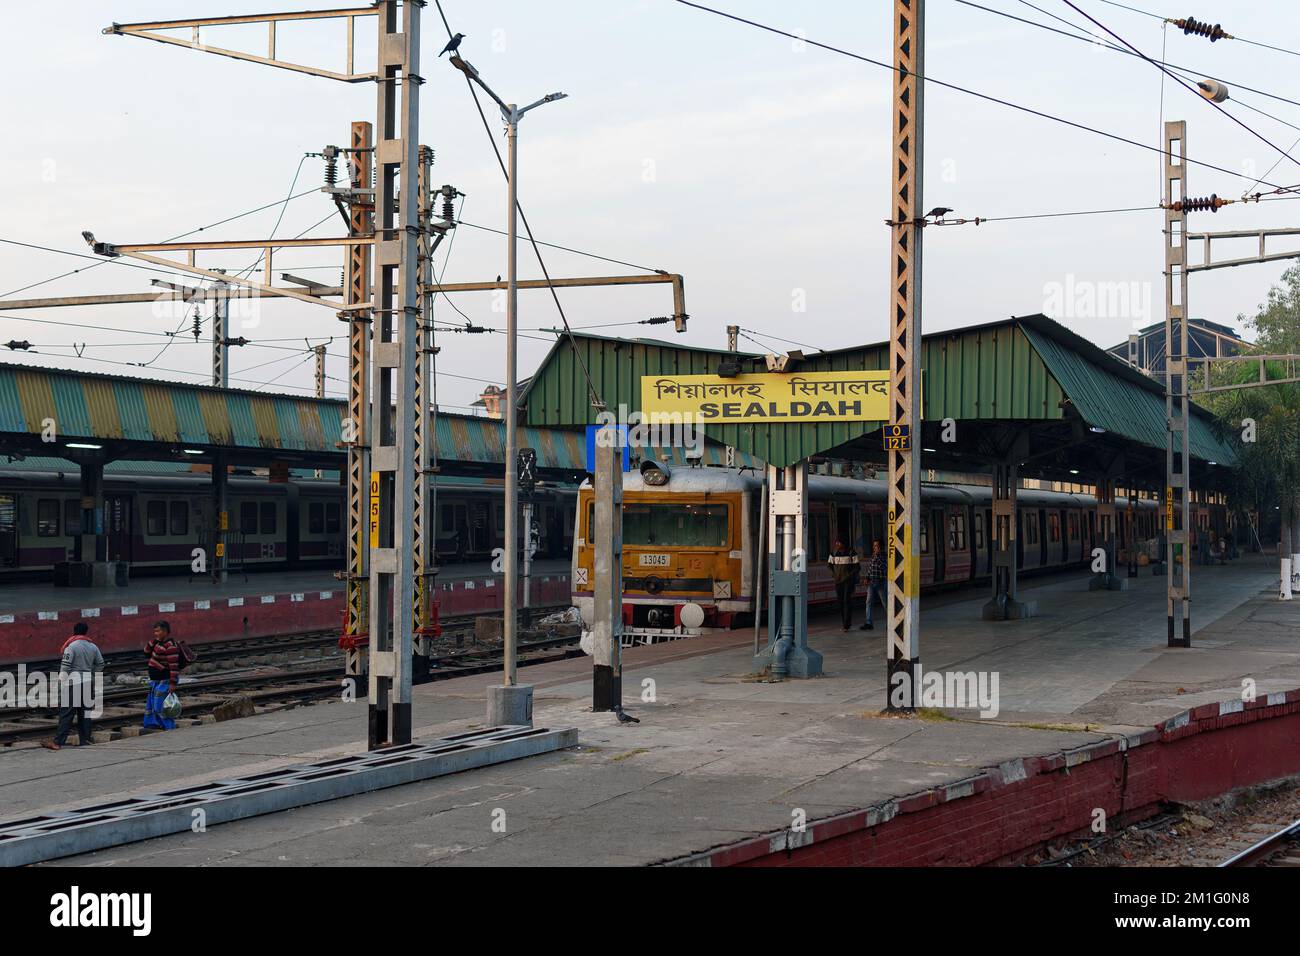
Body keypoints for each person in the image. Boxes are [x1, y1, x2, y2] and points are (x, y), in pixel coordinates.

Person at [41, 622, 104, 751]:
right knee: (85, 713)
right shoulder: (93, 646)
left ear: (74, 631)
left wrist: (61, 682)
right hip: (87, 683)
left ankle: (58, 743)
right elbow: (101, 664)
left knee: (66, 714)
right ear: (86, 632)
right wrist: (91, 674)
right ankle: (85, 741)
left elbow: (65, 666)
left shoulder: (72, 646)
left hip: (73, 684)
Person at [142, 620, 179, 731]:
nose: (156, 633)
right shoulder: (158, 643)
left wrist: (173, 683)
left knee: (161, 706)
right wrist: (153, 641)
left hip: (165, 681)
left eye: (158, 631)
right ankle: (155, 725)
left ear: (165, 631)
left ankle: (168, 727)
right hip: (156, 681)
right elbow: (146, 652)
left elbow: (174, 666)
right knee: (152, 704)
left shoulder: (171, 646)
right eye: (155, 631)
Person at [827, 540, 860, 632]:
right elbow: (829, 565)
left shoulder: (851, 553)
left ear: (844, 543)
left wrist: (849, 575)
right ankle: (844, 623)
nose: (837, 544)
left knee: (846, 601)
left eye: (839, 543)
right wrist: (834, 575)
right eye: (836, 542)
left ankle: (846, 624)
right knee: (840, 602)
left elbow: (857, 567)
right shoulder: (833, 553)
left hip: (848, 581)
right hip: (838, 581)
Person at [860, 539, 888, 631]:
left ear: (880, 547)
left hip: (881, 582)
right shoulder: (873, 556)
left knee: (885, 603)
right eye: (874, 546)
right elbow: (870, 568)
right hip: (871, 583)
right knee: (868, 602)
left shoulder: (884, 556)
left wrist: (877, 558)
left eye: (876, 546)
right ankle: (869, 622)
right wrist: (867, 578)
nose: (874, 547)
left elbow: (885, 568)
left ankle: (891, 621)